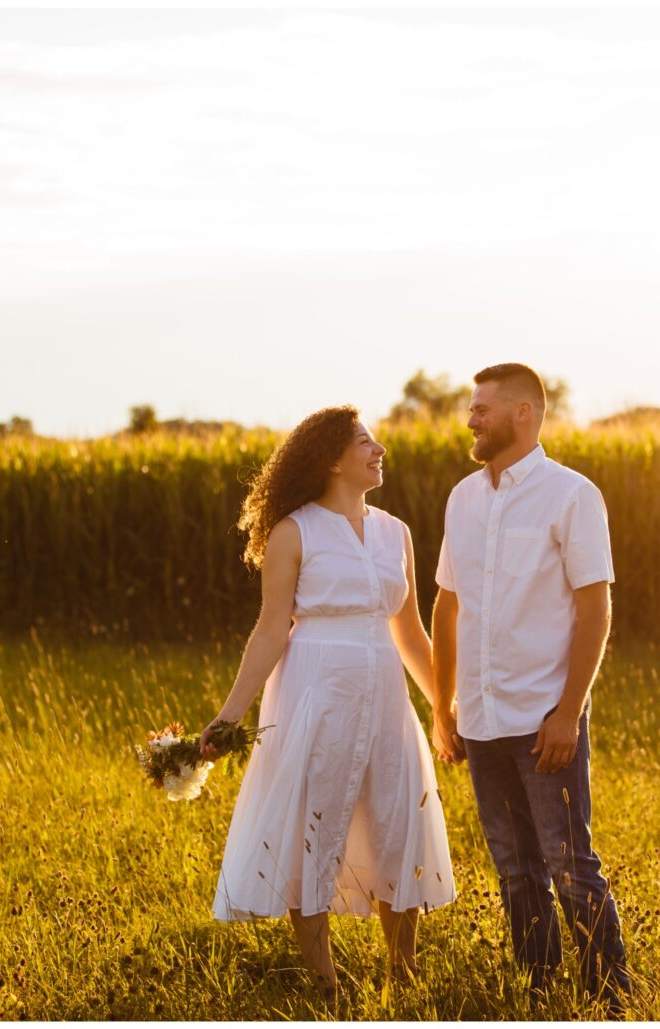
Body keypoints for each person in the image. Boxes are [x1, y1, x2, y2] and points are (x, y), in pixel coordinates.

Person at [202, 405, 455, 1003]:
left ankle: (405, 974)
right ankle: (325, 984)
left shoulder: (396, 532)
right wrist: (229, 715)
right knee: (316, 823)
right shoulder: (295, 531)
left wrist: (443, 712)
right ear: (332, 458)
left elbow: (411, 632)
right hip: (316, 688)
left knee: (398, 819)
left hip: (386, 693)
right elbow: (270, 631)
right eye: (365, 441)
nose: (379, 449)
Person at [429, 363, 633, 1009]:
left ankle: (610, 997)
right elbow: (446, 604)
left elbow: (595, 608)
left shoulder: (570, 494)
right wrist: (444, 706)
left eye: (482, 408)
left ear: (523, 412)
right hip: (482, 721)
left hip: (544, 718)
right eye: (471, 407)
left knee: (572, 868)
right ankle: (537, 991)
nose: (470, 418)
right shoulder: (462, 497)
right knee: (515, 871)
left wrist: (568, 712)